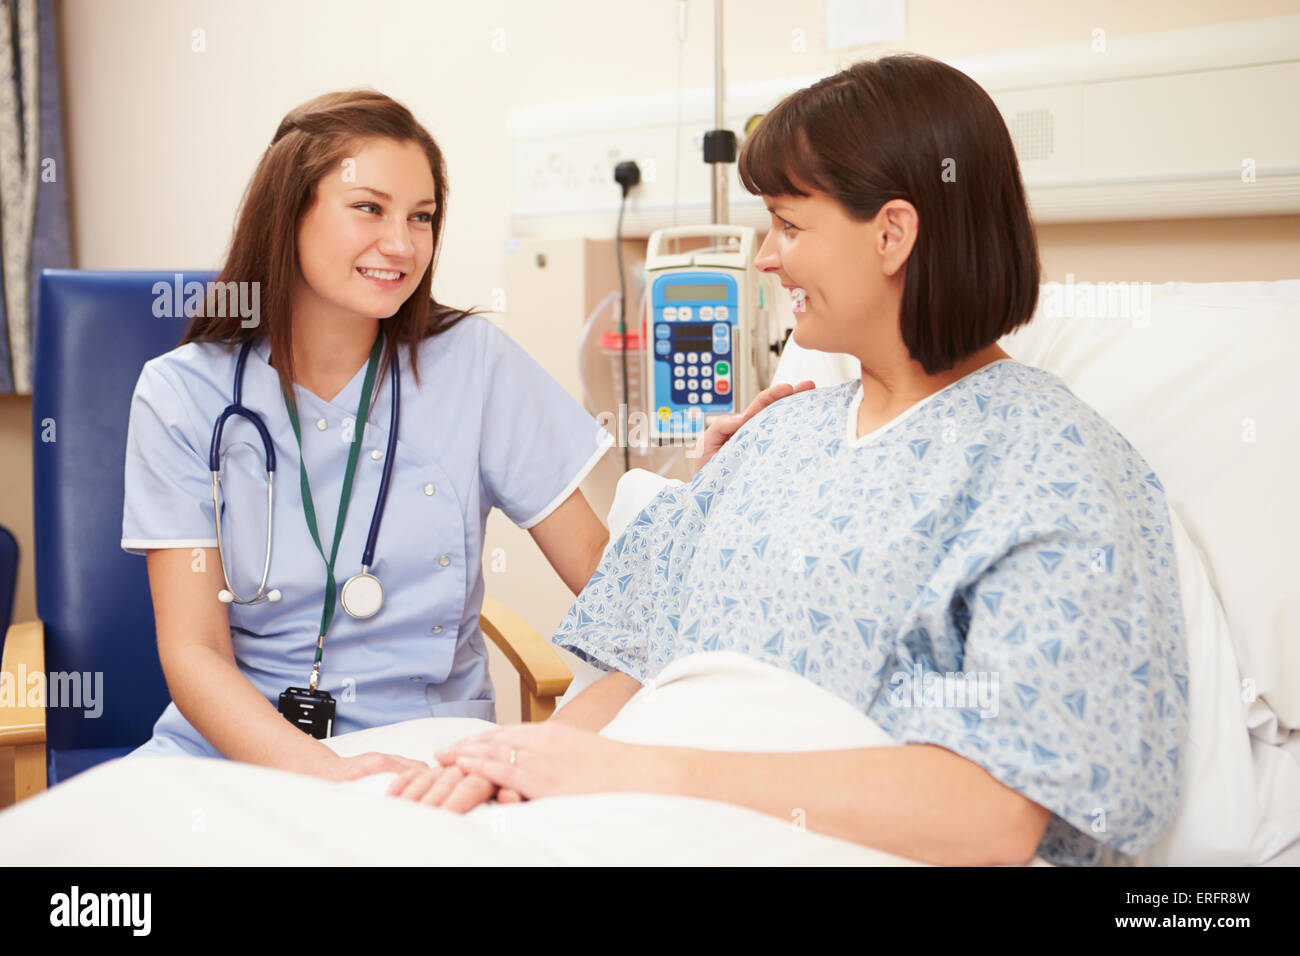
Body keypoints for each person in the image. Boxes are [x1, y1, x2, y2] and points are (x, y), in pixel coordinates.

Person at [391, 55, 1190, 868]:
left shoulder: (1051, 464)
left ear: (892, 233)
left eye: (789, 224)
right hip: (613, 824)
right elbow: (630, 673)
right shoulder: (772, 439)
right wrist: (510, 780)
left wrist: (630, 773)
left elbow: (992, 816)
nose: (767, 258)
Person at [121, 90, 618, 781]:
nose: (402, 244)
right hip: (237, 759)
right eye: (369, 208)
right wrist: (327, 775)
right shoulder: (182, 394)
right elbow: (194, 654)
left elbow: (612, 584)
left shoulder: (476, 365)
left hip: (432, 760)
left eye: (422, 217)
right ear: (289, 210)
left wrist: (547, 749)